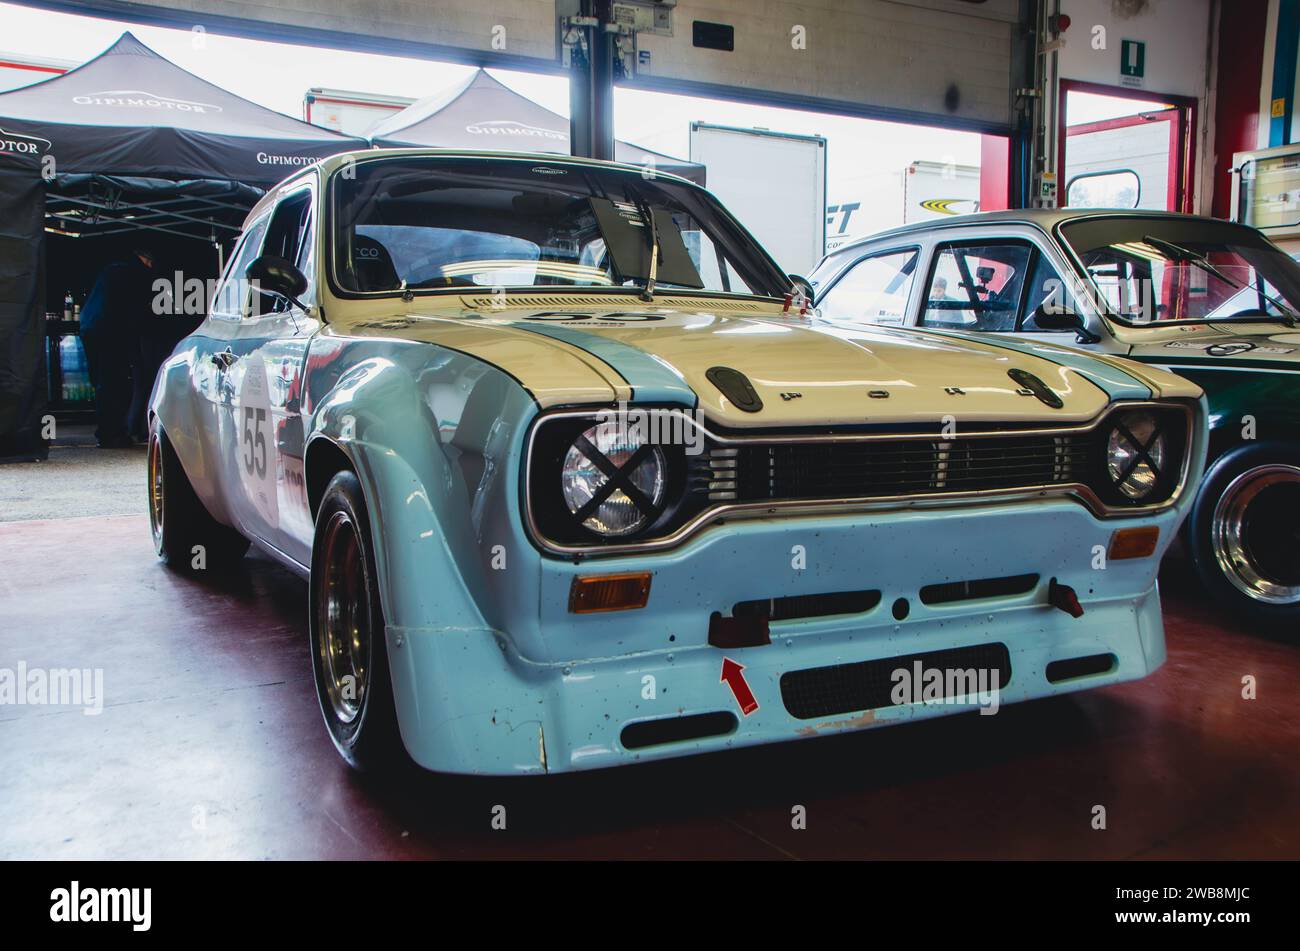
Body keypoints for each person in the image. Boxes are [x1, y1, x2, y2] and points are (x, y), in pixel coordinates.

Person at [80, 247, 157, 448]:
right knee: (115, 383)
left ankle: (107, 431)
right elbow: (134, 311)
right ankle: (111, 434)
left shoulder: (112, 269)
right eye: (150, 263)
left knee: (103, 382)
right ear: (145, 259)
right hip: (111, 330)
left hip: (91, 326)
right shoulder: (135, 273)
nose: (150, 267)